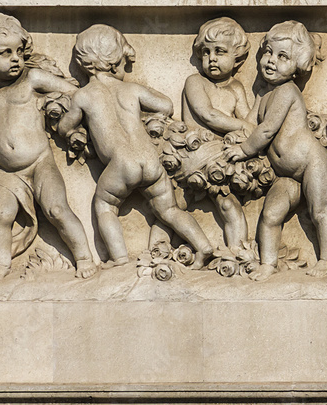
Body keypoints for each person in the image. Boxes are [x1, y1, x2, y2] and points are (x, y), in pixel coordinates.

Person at [0, 13, 98, 282]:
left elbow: (74, 92)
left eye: (19, 51)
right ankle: (1, 264)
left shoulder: (32, 79)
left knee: (57, 209)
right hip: (6, 174)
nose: (15, 58)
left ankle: (84, 257)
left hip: (40, 163)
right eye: (5, 52)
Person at [58, 24, 214, 267]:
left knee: (105, 206)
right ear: (114, 63)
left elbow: (65, 126)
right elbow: (165, 105)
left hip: (121, 165)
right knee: (170, 210)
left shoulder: (84, 96)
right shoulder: (130, 89)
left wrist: (75, 133)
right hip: (149, 160)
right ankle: (204, 247)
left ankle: (120, 259)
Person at [224, 21, 327, 281]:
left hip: (311, 163)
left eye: (282, 56)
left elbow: (265, 131)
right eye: (268, 53)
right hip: (285, 175)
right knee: (271, 215)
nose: (271, 61)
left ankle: (325, 260)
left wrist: (243, 149)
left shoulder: (287, 91)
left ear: (298, 64)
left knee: (320, 211)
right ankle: (268, 264)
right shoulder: (264, 94)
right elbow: (251, 124)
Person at [181, 17, 253, 251]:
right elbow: (208, 115)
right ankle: (157, 250)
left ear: (238, 58)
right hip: (197, 154)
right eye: (206, 52)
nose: (211, 58)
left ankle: (238, 252)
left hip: (221, 159)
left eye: (220, 51)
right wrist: (243, 127)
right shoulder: (195, 82)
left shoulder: (236, 88)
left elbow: (247, 119)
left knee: (228, 206)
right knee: (173, 205)